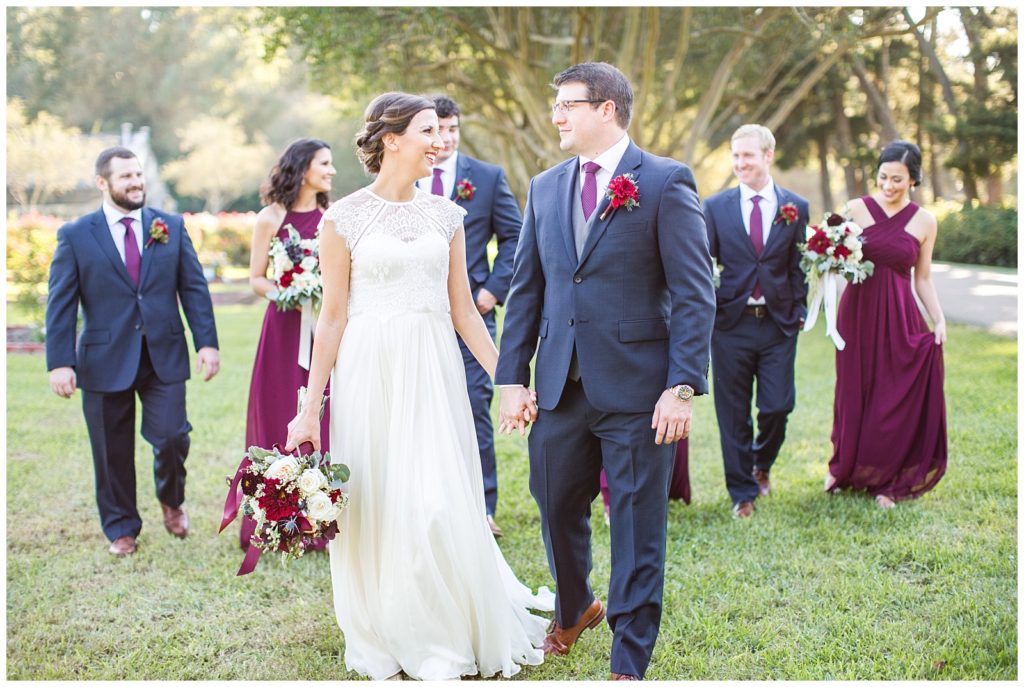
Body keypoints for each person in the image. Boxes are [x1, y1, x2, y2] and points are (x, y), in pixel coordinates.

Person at [285, 92, 551, 681]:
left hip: (432, 368)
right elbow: (331, 317)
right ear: (392, 139)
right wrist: (309, 410)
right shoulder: (343, 219)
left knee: (435, 499)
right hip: (369, 371)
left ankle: (445, 625)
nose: (441, 141)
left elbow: (464, 311)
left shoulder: (447, 216)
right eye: (429, 131)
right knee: (382, 499)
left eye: (441, 131)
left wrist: (509, 379)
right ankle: (393, 626)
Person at [495, 62, 716, 680]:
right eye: (557, 105)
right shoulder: (544, 186)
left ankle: (629, 658)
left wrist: (681, 387)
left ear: (608, 109)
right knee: (554, 502)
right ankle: (575, 606)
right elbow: (528, 289)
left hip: (641, 392)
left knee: (638, 523)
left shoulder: (666, 181)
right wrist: (514, 379)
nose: (557, 115)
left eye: (568, 104)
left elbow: (696, 294)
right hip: (561, 387)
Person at [46, 146, 219, 556]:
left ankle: (171, 499)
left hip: (164, 354)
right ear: (102, 183)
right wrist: (60, 363)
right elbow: (60, 303)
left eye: (138, 175)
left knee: (174, 436)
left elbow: (193, 288)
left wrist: (206, 342)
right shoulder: (75, 235)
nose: (136, 182)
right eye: (125, 177)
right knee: (111, 449)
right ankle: (122, 527)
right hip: (104, 358)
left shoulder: (170, 226)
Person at [417, 95, 523, 537]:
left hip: (472, 317)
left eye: (453, 129)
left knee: (475, 409)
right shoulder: (408, 177)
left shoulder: (487, 177)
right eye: (436, 129)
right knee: (421, 410)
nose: (445, 139)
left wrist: (490, 292)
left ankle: (482, 508)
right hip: (418, 315)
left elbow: (516, 239)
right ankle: (428, 504)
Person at [825, 140, 947, 508]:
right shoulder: (855, 209)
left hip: (899, 317)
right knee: (851, 391)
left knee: (891, 397)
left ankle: (888, 479)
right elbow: (835, 262)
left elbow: (922, 279)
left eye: (898, 179)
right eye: (883, 177)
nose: (889, 185)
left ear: (913, 180)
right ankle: (844, 467)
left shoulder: (925, 221)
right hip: (856, 314)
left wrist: (938, 320)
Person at [704, 124, 809, 518]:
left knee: (778, 405)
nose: (739, 163)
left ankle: (761, 464)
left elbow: (798, 265)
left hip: (778, 324)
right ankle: (742, 493)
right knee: (732, 412)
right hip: (730, 323)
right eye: (735, 156)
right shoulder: (715, 208)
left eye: (747, 155)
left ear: (768, 155)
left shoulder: (795, 207)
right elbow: (703, 263)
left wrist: (798, 309)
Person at [238, 138, 336, 550]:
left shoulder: (333, 216)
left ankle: (323, 517)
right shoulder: (270, 217)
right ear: (303, 167)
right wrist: (289, 293)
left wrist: (321, 293)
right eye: (325, 163)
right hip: (283, 328)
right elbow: (257, 277)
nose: (331, 171)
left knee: (325, 411)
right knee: (278, 409)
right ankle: (276, 517)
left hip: (325, 329)